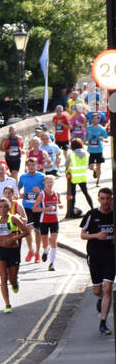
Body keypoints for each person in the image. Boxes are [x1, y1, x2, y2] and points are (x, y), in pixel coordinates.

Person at [80, 188, 114, 336]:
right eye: (103, 198)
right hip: (94, 256)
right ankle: (100, 299)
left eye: (108, 198)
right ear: (99, 199)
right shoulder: (92, 215)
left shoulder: (114, 214)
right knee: (97, 291)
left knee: (108, 288)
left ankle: (103, 323)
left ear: (111, 199)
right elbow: (82, 235)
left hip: (110, 256)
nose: (106, 201)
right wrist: (97, 235)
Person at [0, 197, 28, 312]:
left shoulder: (14, 219)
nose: (3, 209)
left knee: (12, 279)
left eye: (5, 207)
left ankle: (14, 283)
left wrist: (14, 238)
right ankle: (7, 304)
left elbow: (26, 232)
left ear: (9, 208)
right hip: (0, 251)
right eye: (0, 207)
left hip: (13, 251)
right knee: (3, 278)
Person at [32, 175, 63, 271]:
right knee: (44, 240)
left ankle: (52, 263)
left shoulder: (57, 194)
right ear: (44, 184)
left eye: (51, 182)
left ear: (54, 183)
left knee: (54, 241)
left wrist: (60, 205)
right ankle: (45, 250)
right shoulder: (42, 194)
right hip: (44, 220)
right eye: (47, 182)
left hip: (54, 220)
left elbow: (59, 204)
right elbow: (34, 209)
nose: (49, 184)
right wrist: (45, 208)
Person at [18, 157, 44, 263]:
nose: (31, 167)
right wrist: (19, 193)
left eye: (33, 165)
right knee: (27, 229)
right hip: (27, 206)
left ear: (36, 165)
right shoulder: (23, 177)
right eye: (29, 165)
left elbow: (48, 189)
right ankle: (31, 250)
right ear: (27, 166)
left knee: (38, 231)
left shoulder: (41, 176)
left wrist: (40, 190)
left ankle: (38, 253)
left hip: (38, 207)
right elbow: (18, 187)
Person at [65, 139, 94, 220]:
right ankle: (92, 208)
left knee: (72, 195)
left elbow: (66, 164)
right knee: (86, 193)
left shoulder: (71, 154)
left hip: (73, 176)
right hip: (82, 176)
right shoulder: (87, 153)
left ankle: (72, 211)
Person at [85, 112, 109, 184]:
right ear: (91, 120)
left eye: (96, 119)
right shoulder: (88, 128)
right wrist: (84, 141)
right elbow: (86, 137)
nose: (95, 120)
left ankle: (98, 181)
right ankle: (95, 171)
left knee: (99, 166)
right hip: (91, 150)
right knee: (90, 167)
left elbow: (107, 139)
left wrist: (103, 139)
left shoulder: (102, 129)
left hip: (99, 150)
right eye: (93, 119)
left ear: (99, 120)